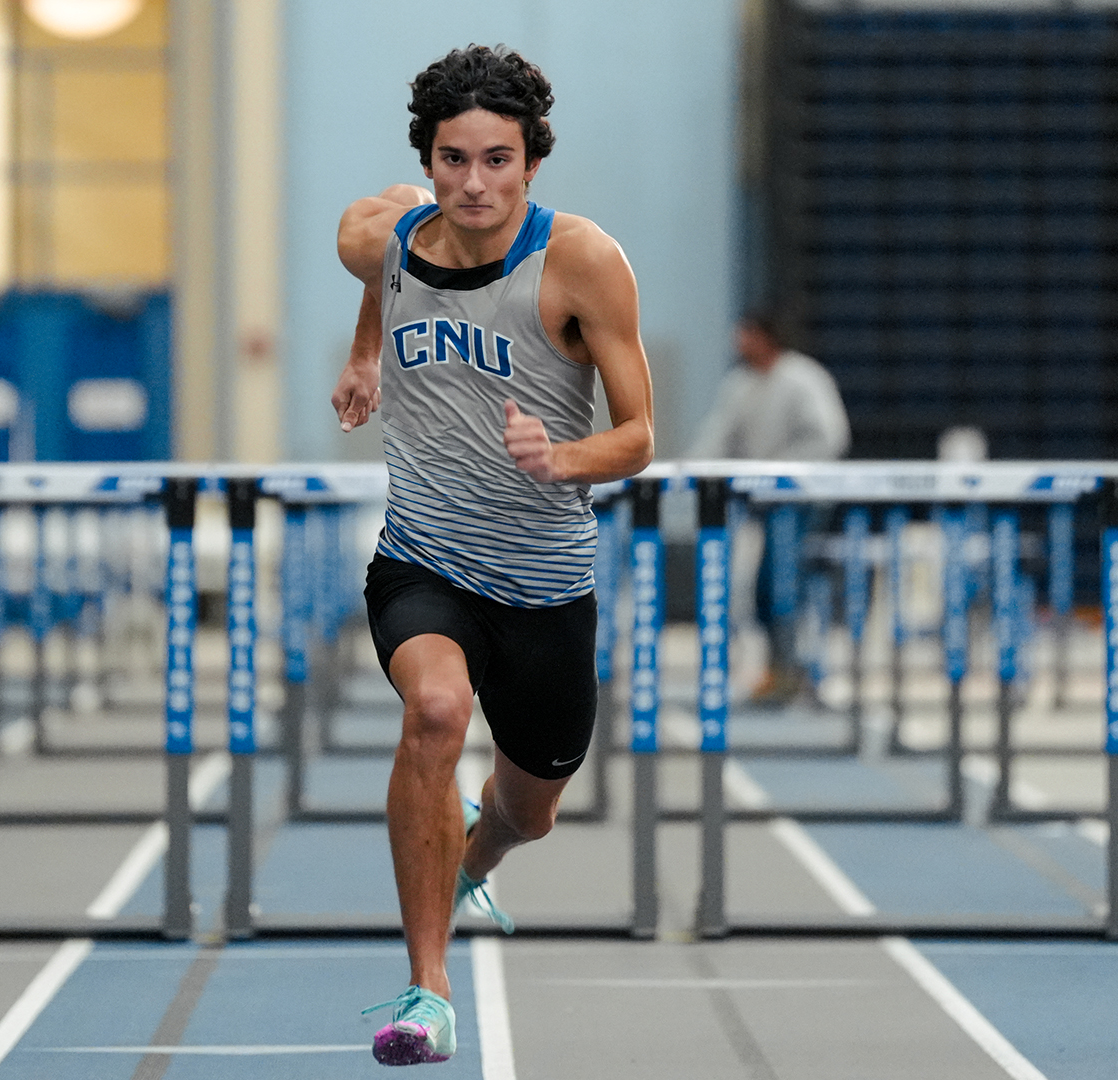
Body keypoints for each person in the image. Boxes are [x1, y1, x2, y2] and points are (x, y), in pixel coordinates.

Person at [331, 45, 654, 1065]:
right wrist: (365, 351)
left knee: (531, 812)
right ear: (426, 161)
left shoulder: (582, 263)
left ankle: (477, 851)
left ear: (531, 164)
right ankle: (428, 991)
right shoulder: (374, 237)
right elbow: (385, 272)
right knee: (434, 711)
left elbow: (640, 435)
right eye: (453, 160)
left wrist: (561, 456)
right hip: (423, 557)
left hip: (546, 582)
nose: (475, 184)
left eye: (498, 161)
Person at [689, 312, 849, 704]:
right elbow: (718, 436)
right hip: (763, 502)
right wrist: (687, 471)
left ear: (764, 336)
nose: (737, 342)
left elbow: (830, 437)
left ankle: (800, 671)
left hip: (800, 501)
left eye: (744, 334)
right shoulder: (740, 385)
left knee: (785, 586)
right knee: (762, 589)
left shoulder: (803, 378)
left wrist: (780, 472)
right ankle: (780, 670)